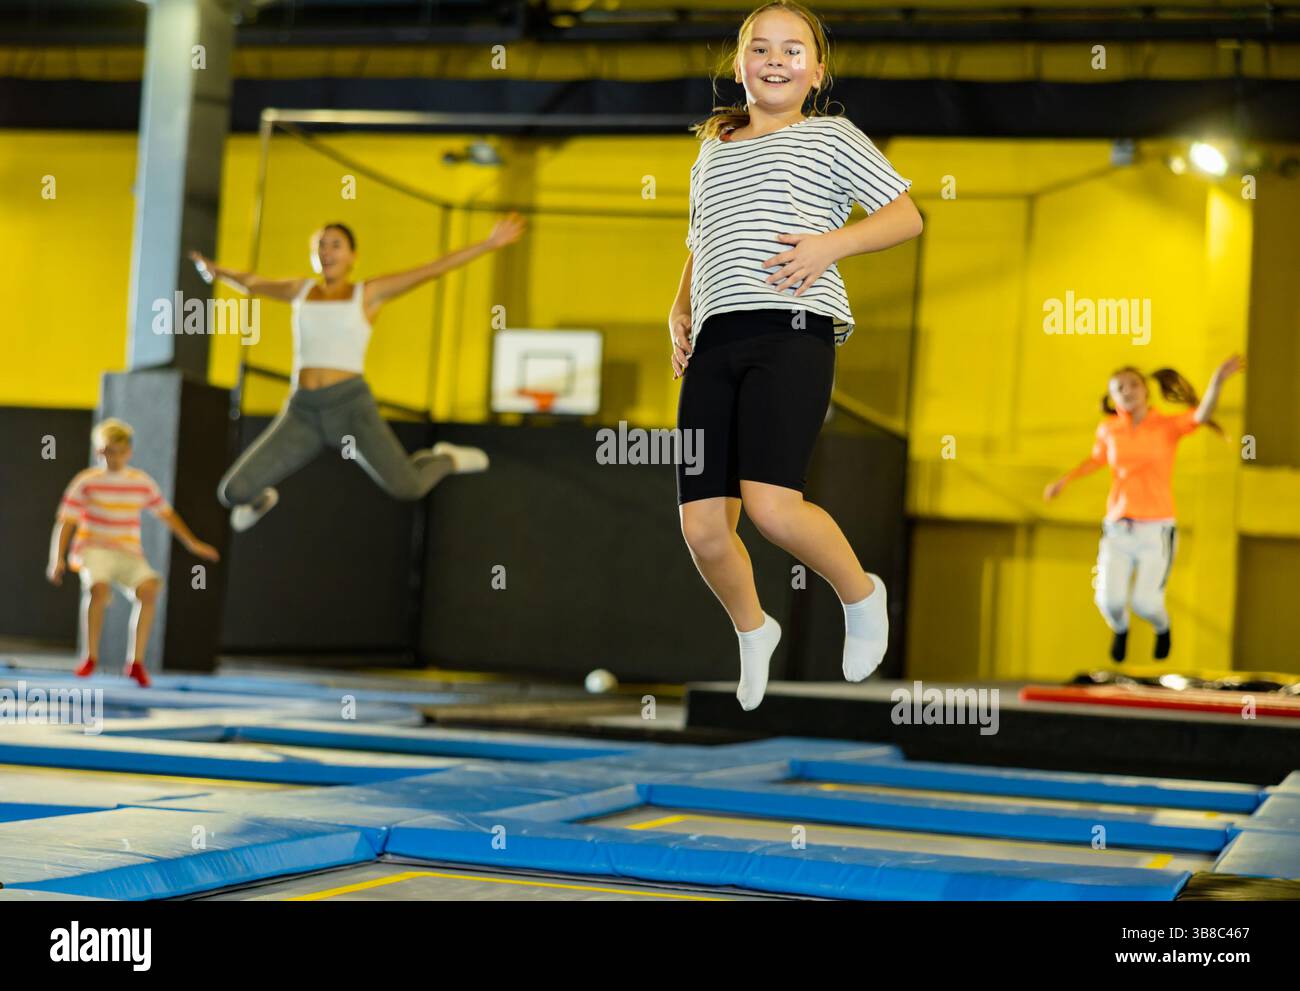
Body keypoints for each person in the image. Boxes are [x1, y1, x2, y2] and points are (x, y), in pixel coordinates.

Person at [667, 1, 924, 709]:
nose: (774, 59)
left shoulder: (832, 137)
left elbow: (906, 216)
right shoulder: (713, 148)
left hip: (792, 328)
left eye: (791, 49)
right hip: (714, 341)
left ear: (815, 70)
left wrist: (828, 245)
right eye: (760, 48)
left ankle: (860, 591)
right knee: (702, 529)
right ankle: (754, 629)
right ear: (740, 63)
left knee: (773, 508)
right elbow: (701, 237)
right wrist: (681, 305)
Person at [189, 214, 525, 531]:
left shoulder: (368, 294)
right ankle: (260, 499)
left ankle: (446, 460)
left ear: (352, 256)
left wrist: (487, 244)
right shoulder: (300, 291)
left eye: (336, 245)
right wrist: (218, 271)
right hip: (303, 411)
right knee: (233, 493)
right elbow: (252, 282)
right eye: (321, 245)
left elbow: (431, 270)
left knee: (408, 486)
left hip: (350, 408)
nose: (327, 251)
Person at [1044, 355, 1245, 662]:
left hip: (1156, 529)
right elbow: (1096, 459)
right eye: (1120, 387)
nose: (1128, 390)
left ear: (1145, 391)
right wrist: (1064, 480)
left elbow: (1200, 416)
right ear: (1112, 398)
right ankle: (1120, 629)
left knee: (1145, 604)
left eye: (1133, 384)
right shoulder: (1108, 430)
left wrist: (1216, 382)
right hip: (1118, 527)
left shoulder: (1165, 426)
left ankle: (1162, 627)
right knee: (1108, 601)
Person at [47, 418, 220, 687]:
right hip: (94, 549)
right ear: (99, 452)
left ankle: (135, 662)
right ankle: (89, 656)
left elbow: (166, 514)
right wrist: (56, 558)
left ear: (128, 451)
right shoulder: (86, 481)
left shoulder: (140, 482)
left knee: (149, 588)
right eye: (107, 451)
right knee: (99, 588)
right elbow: (66, 521)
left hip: (128, 552)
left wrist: (192, 542)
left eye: (118, 451)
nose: (113, 457)